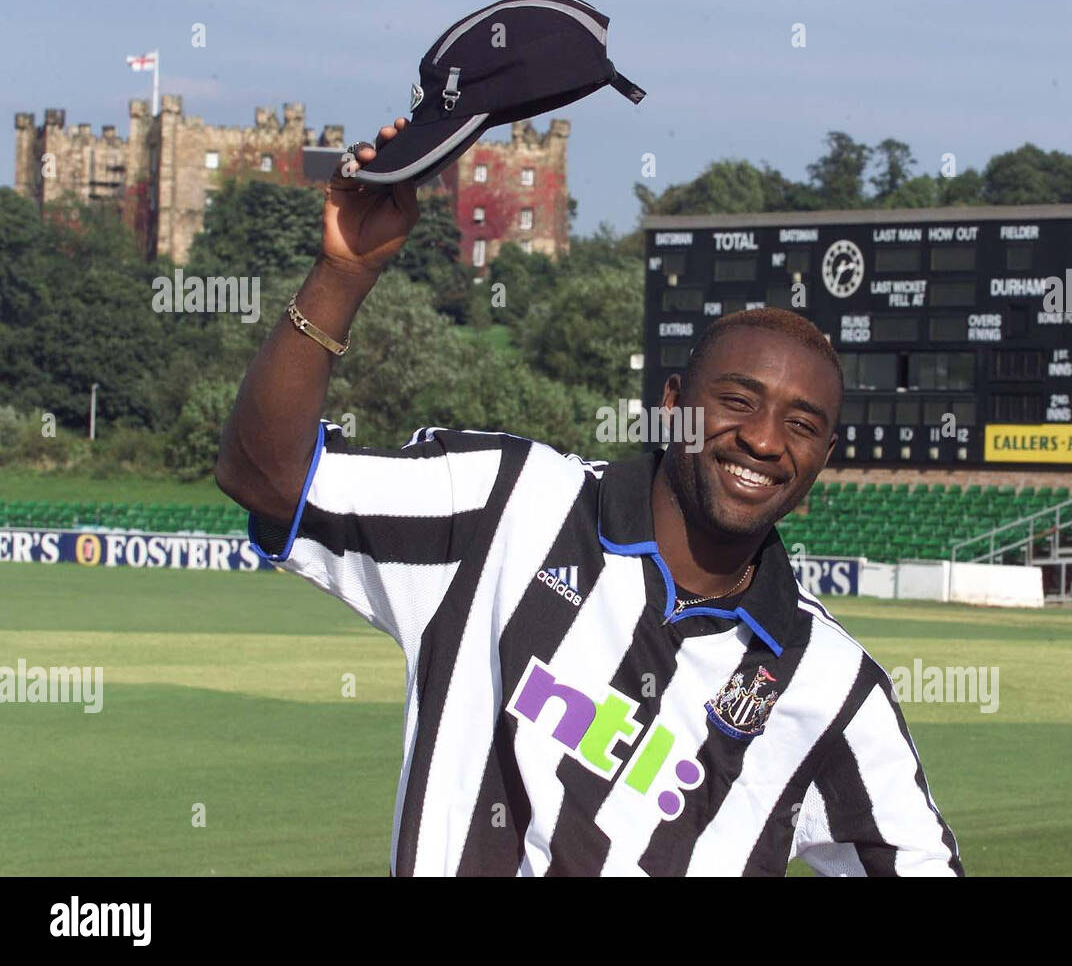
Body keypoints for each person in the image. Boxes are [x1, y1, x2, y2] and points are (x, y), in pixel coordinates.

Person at [216, 119, 964, 877]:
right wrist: (342, 273)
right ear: (672, 404)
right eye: (737, 401)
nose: (766, 441)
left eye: (802, 425)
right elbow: (269, 479)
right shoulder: (508, 506)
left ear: (823, 458)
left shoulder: (830, 682)